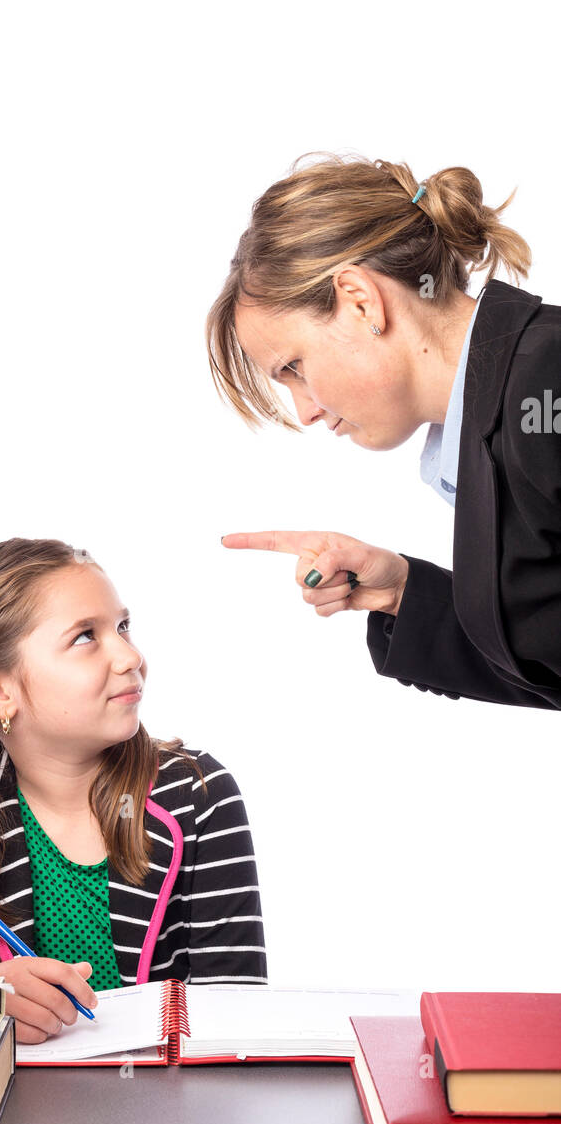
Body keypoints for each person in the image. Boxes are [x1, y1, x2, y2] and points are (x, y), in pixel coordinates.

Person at [206, 152, 561, 711]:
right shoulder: (503, 411)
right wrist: (402, 593)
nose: (306, 411)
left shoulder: (547, 385)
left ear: (360, 300)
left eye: (294, 368)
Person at [0, 538, 267, 1044]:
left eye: (122, 627)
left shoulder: (199, 796)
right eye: (84, 638)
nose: (130, 656)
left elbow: (238, 1023)